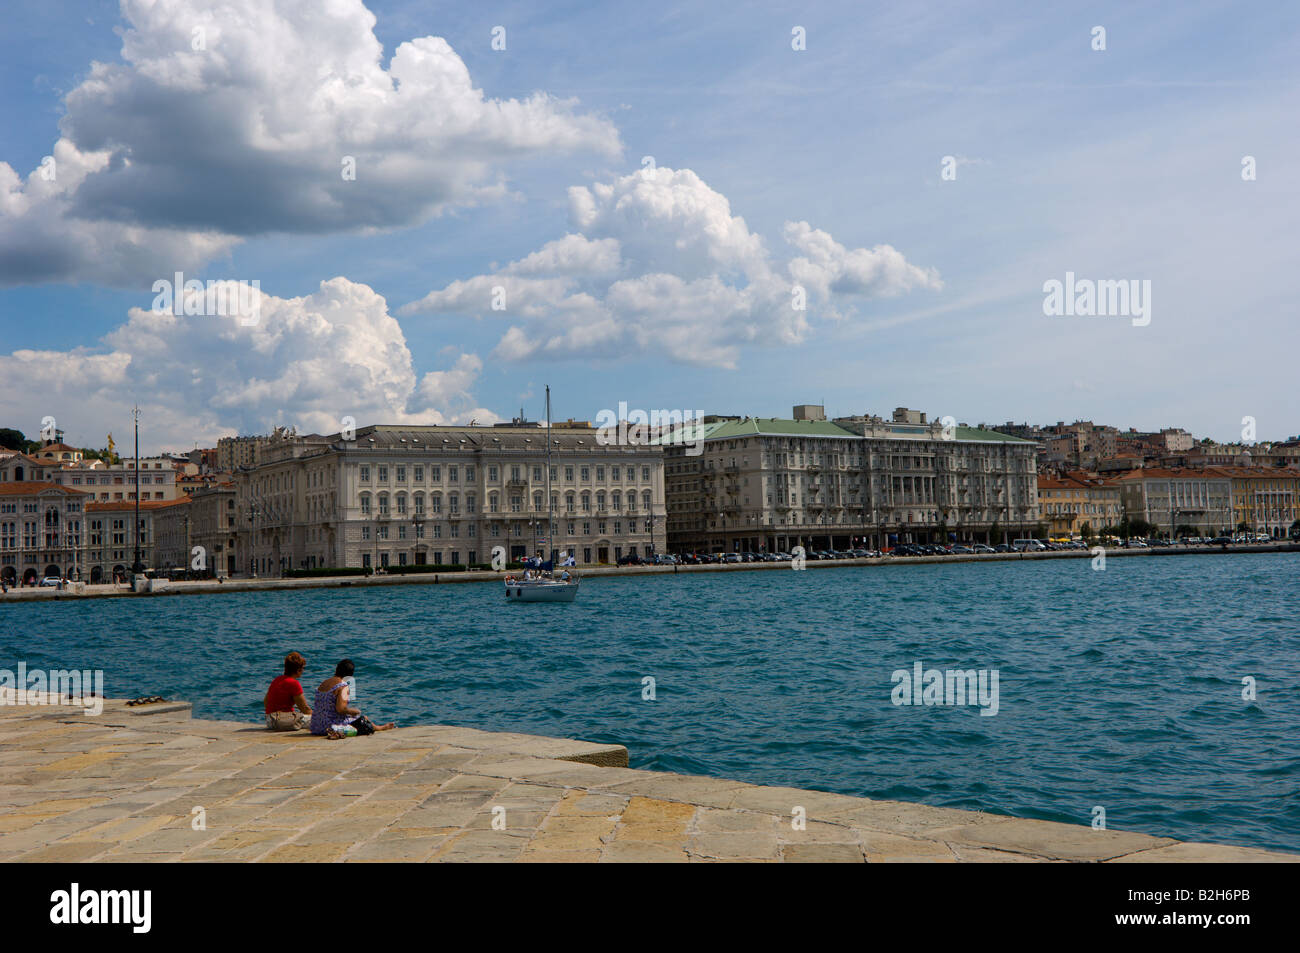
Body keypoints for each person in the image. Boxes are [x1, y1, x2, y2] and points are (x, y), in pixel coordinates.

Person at [310, 659, 395, 739]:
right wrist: (354, 711)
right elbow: (341, 709)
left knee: (357, 718)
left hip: (316, 726)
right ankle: (379, 728)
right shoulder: (343, 686)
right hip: (330, 727)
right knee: (363, 720)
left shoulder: (324, 683)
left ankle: (378, 727)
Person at [264, 651, 312, 730]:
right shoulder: (294, 683)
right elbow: (304, 708)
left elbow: (266, 701)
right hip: (281, 721)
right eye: (302, 668)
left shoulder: (276, 680)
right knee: (317, 720)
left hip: (269, 721)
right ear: (298, 670)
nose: (303, 671)